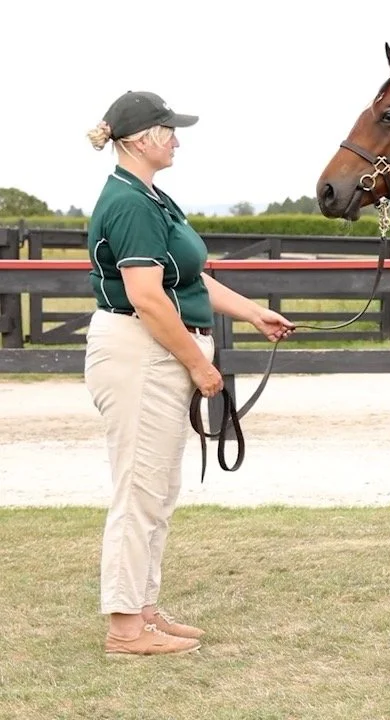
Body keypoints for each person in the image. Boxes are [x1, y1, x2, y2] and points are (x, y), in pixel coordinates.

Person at [83, 90, 295, 656]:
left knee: (157, 488)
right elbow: (148, 300)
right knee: (140, 488)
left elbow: (191, 281)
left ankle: (143, 611)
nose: (177, 138)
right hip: (139, 353)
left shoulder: (151, 198)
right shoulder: (130, 205)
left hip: (151, 351)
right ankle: (126, 628)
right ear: (141, 139)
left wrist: (253, 312)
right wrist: (199, 364)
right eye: (169, 129)